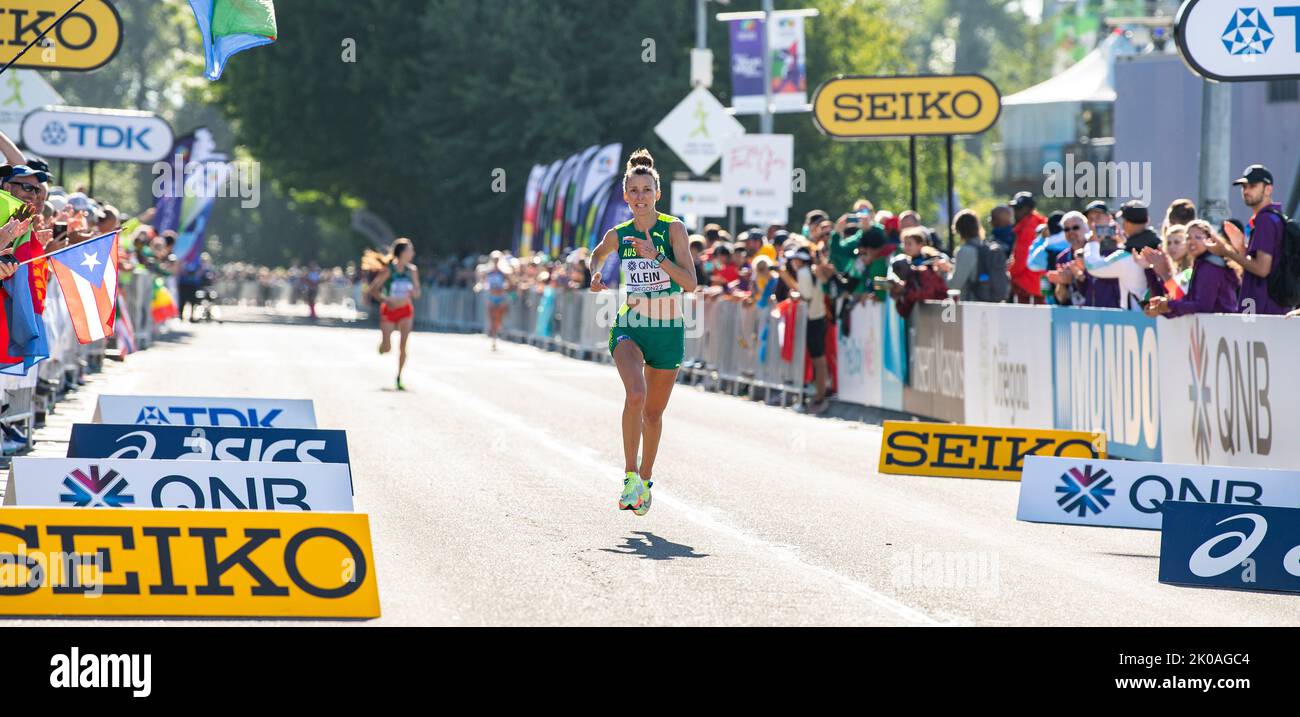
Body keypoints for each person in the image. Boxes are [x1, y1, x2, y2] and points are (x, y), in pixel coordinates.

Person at [586, 149, 697, 516]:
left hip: (667, 330)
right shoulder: (619, 233)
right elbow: (597, 254)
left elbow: (691, 284)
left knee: (653, 413)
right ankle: (629, 474)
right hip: (630, 325)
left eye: (646, 189)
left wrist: (657, 257)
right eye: (633, 190)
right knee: (635, 394)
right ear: (625, 196)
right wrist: (595, 274)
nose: (639, 196)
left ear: (657, 194)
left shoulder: (674, 228)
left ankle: (645, 478)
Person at [1206, 164, 1291, 315]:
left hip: (1264, 311)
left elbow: (1262, 269)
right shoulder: (1271, 218)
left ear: (1268, 189)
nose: (1246, 191)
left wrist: (1226, 251)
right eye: (1244, 186)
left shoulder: (1266, 220)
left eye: (1252, 186)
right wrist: (1241, 248)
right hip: (1268, 309)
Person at [1144, 220, 1240, 317]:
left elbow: (1201, 305)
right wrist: (1161, 308)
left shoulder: (1208, 266)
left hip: (1219, 326)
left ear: (1210, 240)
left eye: (1177, 242)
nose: (1172, 247)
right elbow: (1184, 302)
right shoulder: (1198, 265)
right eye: (1188, 238)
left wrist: (1164, 274)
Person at [1081, 200, 1164, 310]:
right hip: (1162, 314)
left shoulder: (1126, 255)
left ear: (1126, 223)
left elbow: (1093, 266)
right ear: (1147, 220)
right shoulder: (1161, 245)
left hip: (1136, 318)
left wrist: (1093, 243)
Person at [365, 238, 421, 390]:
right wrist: (386, 299)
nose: (413, 253)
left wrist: (414, 293)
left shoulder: (412, 270)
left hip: (405, 310)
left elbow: (417, 291)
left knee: (403, 346)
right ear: (402, 252)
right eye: (410, 250)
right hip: (389, 309)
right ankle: (383, 345)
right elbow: (372, 289)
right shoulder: (389, 270)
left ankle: (399, 377)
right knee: (388, 348)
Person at [783, 244, 832, 414]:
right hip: (819, 317)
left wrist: (795, 295)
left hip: (811, 319)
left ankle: (820, 394)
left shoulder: (804, 273)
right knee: (820, 358)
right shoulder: (814, 271)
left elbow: (806, 297)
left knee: (817, 358)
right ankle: (820, 392)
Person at [1008, 191, 1047, 303]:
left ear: (1027, 209)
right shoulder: (1038, 222)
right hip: (1040, 284)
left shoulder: (1029, 227)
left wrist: (1010, 274)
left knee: (1023, 318)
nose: (1015, 212)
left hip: (1029, 285)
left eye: (1018, 208)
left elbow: (1021, 260)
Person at [480, 250, 511, 350]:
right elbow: (482, 281)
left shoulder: (503, 272)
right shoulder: (488, 272)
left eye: (497, 259)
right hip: (491, 297)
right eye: (494, 259)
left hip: (501, 297)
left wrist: (506, 286)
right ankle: (494, 339)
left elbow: (509, 282)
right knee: (492, 319)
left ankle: (498, 331)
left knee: (499, 318)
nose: (496, 261)